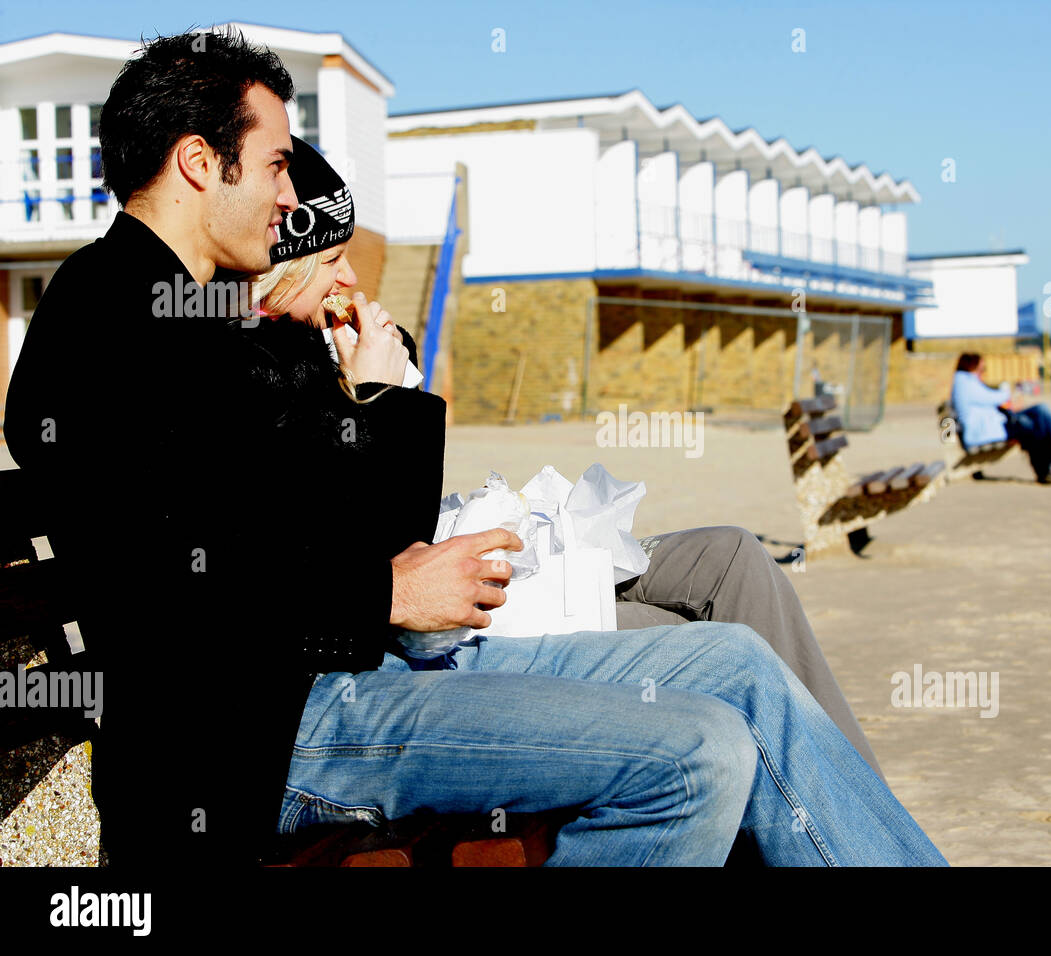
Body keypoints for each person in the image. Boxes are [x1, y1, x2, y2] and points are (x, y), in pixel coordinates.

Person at [5, 30, 943, 866]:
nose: (293, 199)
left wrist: (377, 401)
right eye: (279, 166)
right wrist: (389, 591)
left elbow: (345, 526)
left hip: (339, 678)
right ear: (201, 162)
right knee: (699, 755)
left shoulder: (191, 316)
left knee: (738, 663)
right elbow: (165, 589)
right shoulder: (104, 325)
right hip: (256, 738)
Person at [248, 135, 892, 781]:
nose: (352, 278)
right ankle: (843, 818)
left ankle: (859, 795)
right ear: (283, 265)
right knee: (714, 651)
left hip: (476, 571)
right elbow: (387, 541)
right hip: (418, 630)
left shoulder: (331, 342)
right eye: (333, 258)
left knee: (732, 555)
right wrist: (379, 398)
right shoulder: (254, 373)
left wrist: (385, 382)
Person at [949, 353, 1051, 484]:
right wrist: (1008, 395)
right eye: (982, 369)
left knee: (1041, 410)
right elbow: (990, 398)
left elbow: (987, 400)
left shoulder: (967, 381)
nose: (983, 372)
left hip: (993, 425)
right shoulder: (964, 382)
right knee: (1034, 428)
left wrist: (1007, 401)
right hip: (985, 431)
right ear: (972, 367)